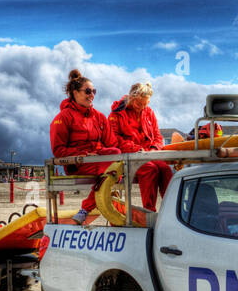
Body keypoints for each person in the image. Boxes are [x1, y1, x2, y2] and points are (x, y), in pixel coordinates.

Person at [50, 69, 120, 224]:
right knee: (114, 167)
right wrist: (84, 154)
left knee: (117, 158)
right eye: (88, 91)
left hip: (99, 160)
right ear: (75, 93)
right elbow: (58, 150)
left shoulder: (100, 117)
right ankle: (88, 209)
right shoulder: (63, 117)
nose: (92, 95)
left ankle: (88, 210)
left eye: (94, 91)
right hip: (77, 163)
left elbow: (112, 144)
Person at [109, 81, 173, 211]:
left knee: (165, 169)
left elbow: (157, 136)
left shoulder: (149, 112)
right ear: (131, 98)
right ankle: (149, 211)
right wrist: (137, 149)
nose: (142, 107)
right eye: (139, 104)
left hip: (149, 154)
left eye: (145, 104)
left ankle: (171, 210)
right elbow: (113, 140)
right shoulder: (116, 113)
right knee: (151, 169)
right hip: (128, 157)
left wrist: (154, 149)